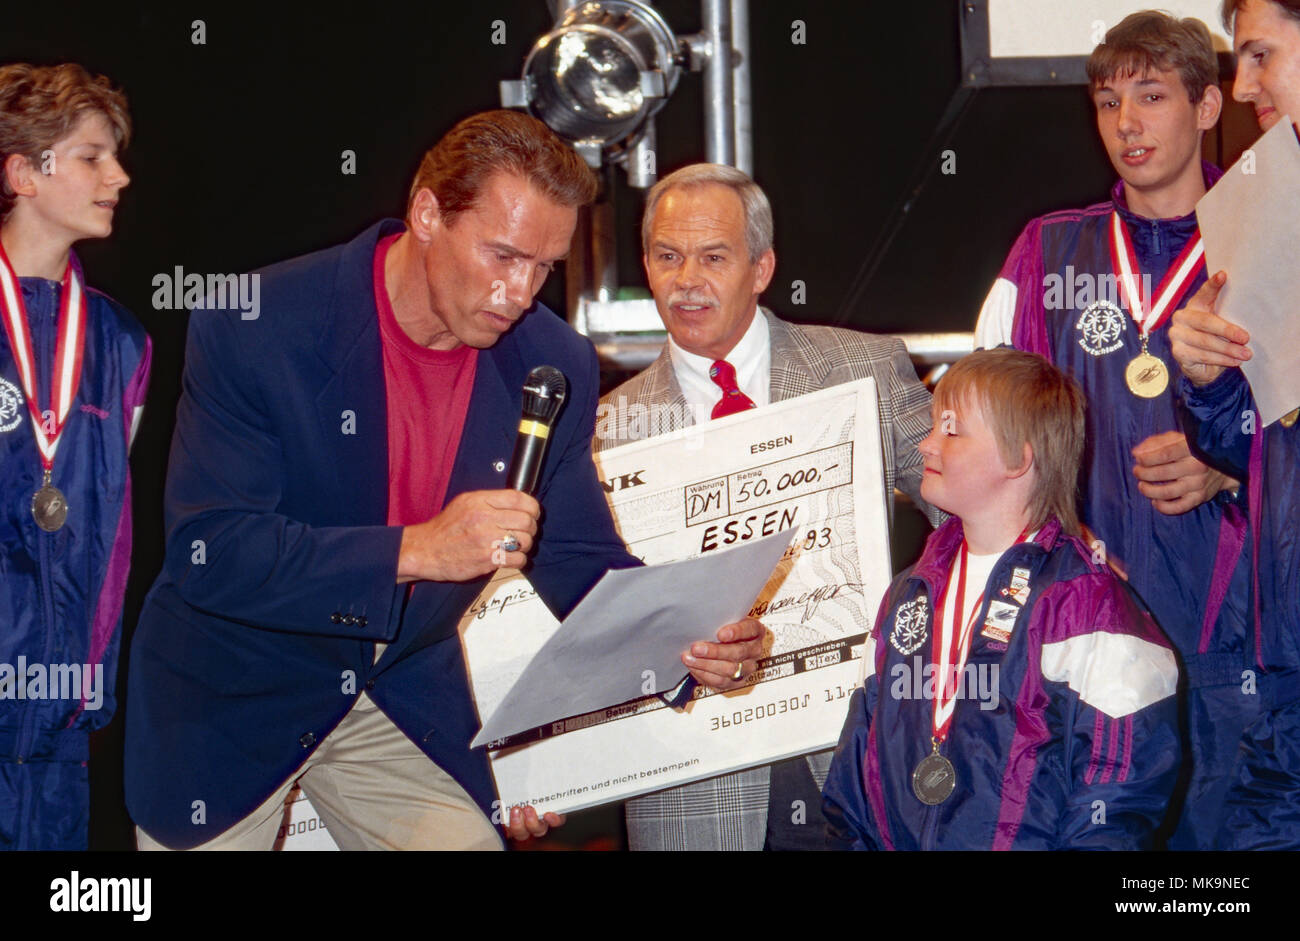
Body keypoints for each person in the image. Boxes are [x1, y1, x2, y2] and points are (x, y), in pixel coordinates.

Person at [124, 111, 764, 851]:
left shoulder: (552, 359)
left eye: (544, 266)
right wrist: (419, 549)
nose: (520, 291)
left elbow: (578, 561)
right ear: (427, 212)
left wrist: (690, 641)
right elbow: (217, 551)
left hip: (396, 696)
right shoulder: (259, 323)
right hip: (233, 691)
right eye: (502, 254)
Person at [596, 162, 944, 851]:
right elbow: (592, 624)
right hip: (692, 789)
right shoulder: (607, 430)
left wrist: (916, 625)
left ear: (762, 267)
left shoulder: (863, 369)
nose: (686, 280)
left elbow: (972, 514)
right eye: (667, 257)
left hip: (863, 750)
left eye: (713, 257)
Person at [972, 11, 1252, 849]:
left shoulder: (1268, 241)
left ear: (1207, 107)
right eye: (1106, 101)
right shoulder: (1049, 251)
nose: (1125, 123)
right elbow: (986, 430)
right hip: (1087, 625)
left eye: (1152, 95)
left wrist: (1228, 466)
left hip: (1236, 621)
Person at [822, 349, 1181, 850]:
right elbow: (853, 782)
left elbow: (1117, 800)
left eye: (952, 430)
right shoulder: (907, 596)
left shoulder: (1088, 608)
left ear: (1018, 458)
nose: (926, 444)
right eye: (932, 425)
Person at [0, 62, 149, 850]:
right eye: (92, 156)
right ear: (24, 171)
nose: (118, 176)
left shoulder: (122, 342)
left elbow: (116, 534)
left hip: (60, 717)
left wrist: (91, 678)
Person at [1169, 0, 1300, 849]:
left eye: (1260, 55)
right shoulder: (1267, 201)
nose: (1243, 84)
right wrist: (1209, 375)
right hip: (1283, 651)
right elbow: (1246, 449)